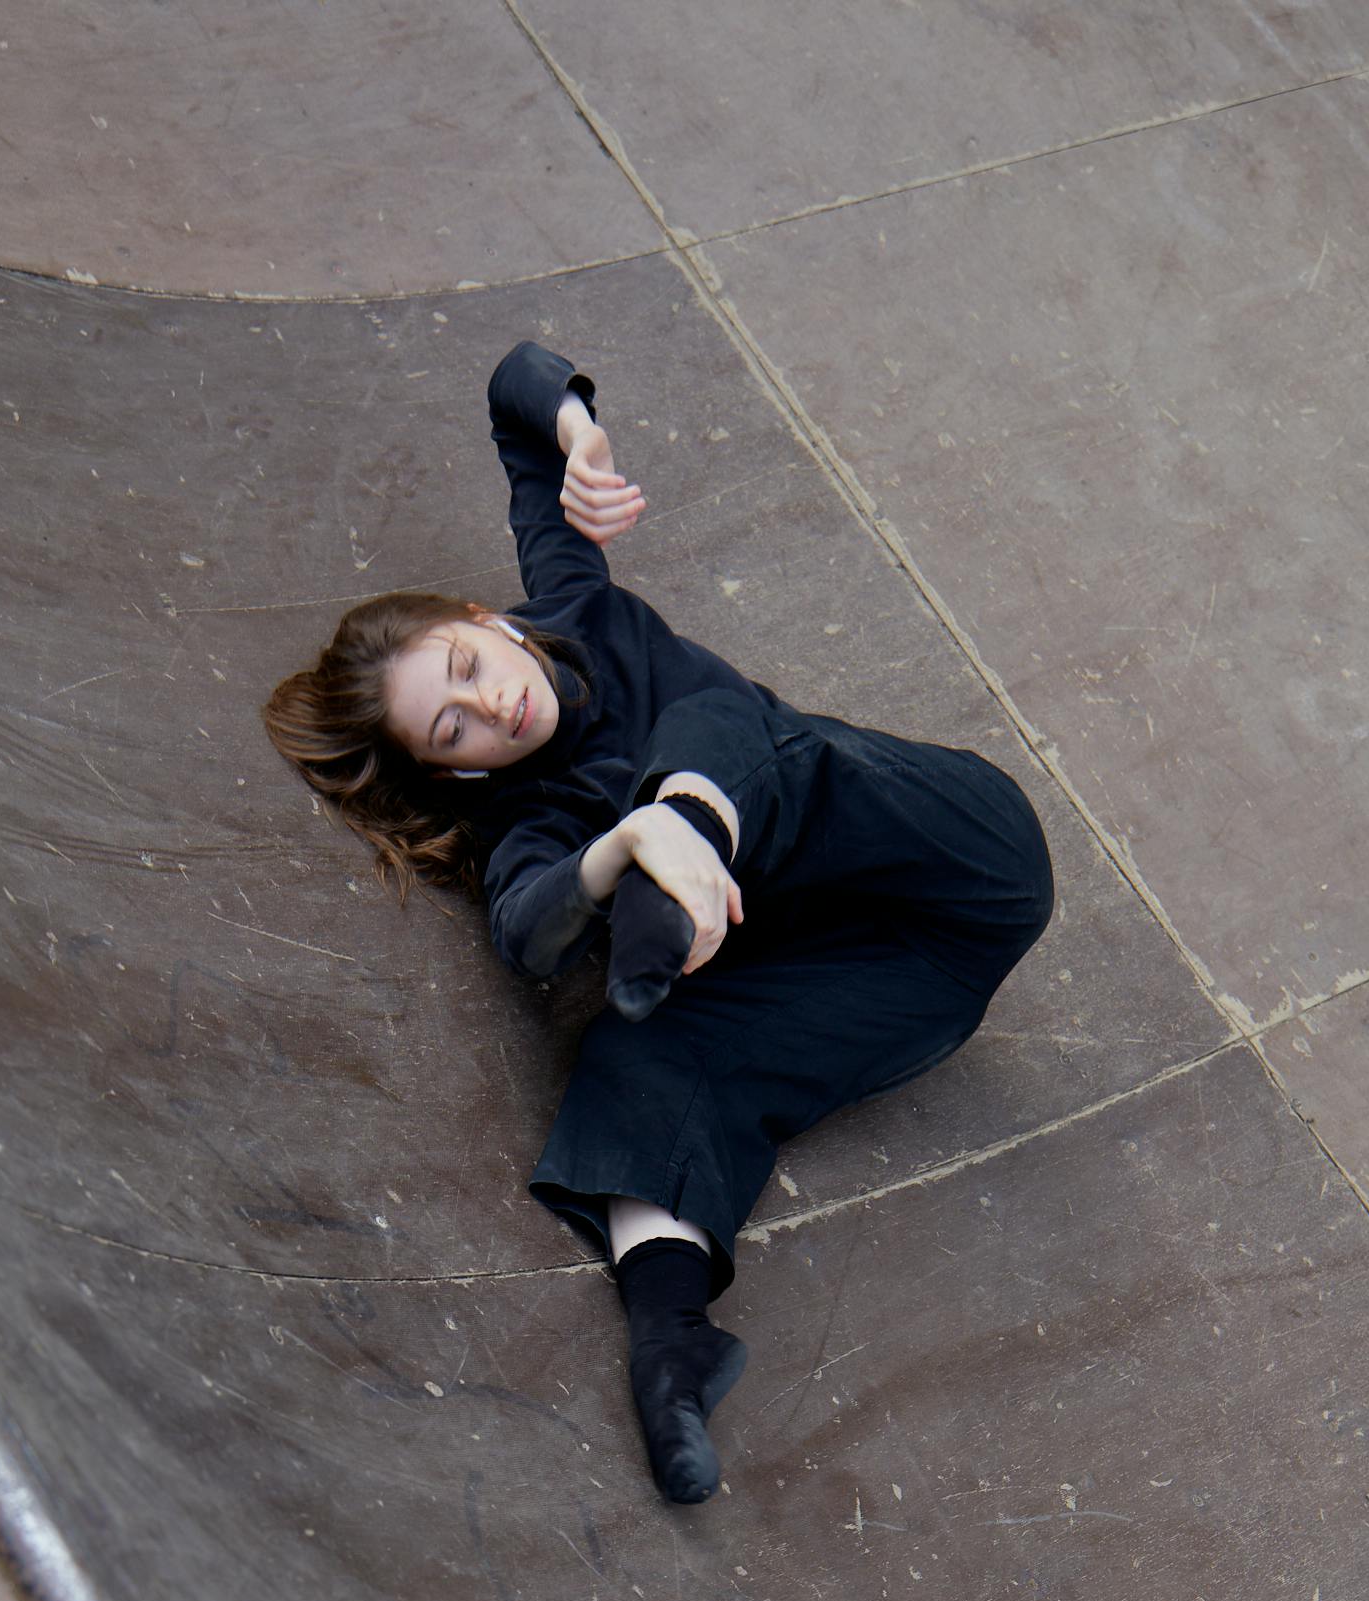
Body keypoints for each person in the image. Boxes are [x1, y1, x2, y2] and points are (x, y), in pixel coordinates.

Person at [262, 341, 1054, 1504]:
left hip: (947, 850)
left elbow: (511, 393)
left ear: (492, 621)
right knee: (638, 1050)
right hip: (896, 975)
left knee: (719, 729)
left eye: (471, 667)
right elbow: (526, 928)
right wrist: (610, 854)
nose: (489, 704)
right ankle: (670, 1351)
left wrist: (577, 433)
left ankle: (687, 821)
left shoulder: (571, 603)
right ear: (457, 775)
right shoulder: (528, 827)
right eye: (454, 733)